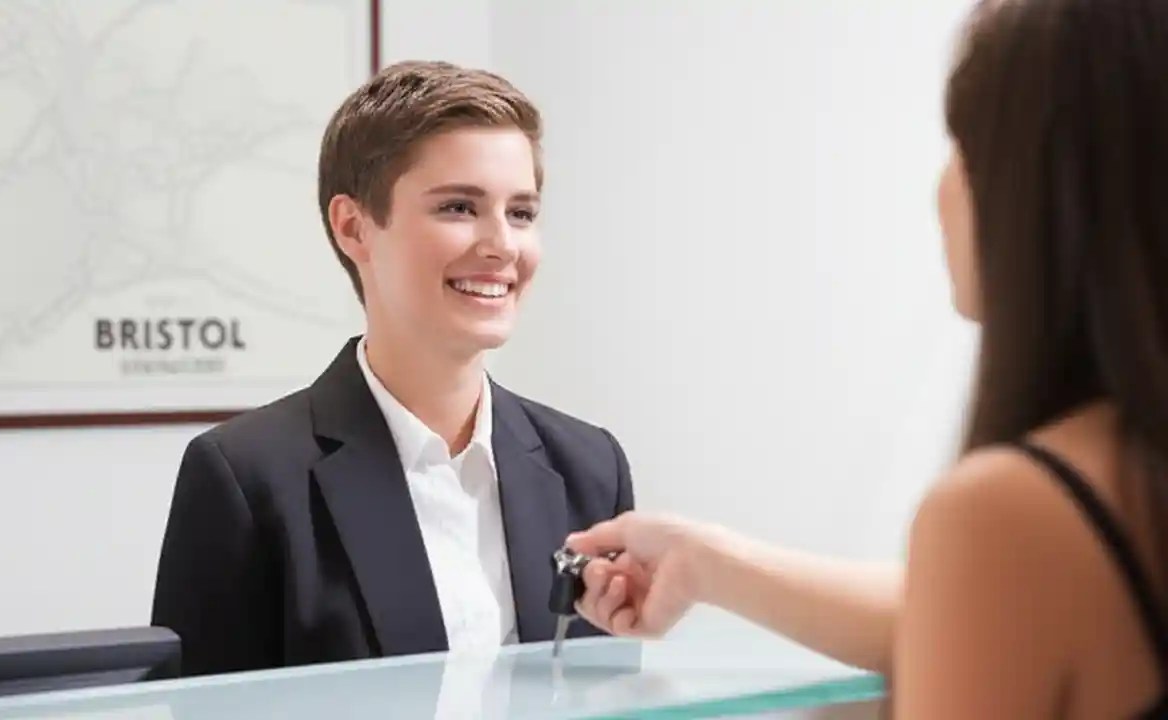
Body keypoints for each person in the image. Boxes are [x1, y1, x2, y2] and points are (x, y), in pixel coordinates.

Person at [567, 0, 1168, 716]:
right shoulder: (1107, 493)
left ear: (1039, 189)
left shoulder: (1011, 512)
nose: (942, 186)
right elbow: (956, 613)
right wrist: (705, 564)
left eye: (963, 144)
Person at [151, 60, 634, 677]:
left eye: (521, 213)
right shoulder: (245, 479)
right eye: (459, 207)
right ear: (354, 227)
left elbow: (612, 700)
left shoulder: (590, 468)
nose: (502, 245)